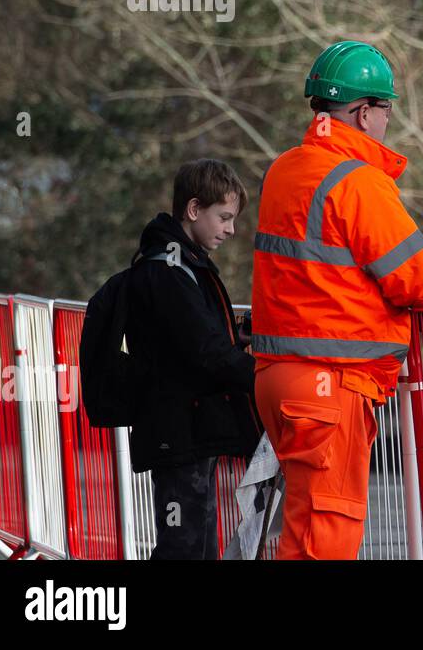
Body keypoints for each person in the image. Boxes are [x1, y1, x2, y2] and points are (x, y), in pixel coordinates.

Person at [251, 40, 423, 559]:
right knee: (326, 537)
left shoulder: (284, 170)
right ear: (363, 112)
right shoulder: (360, 183)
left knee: (301, 531)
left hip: (279, 378)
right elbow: (419, 282)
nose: (388, 121)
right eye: (386, 109)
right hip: (328, 387)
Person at [127, 158, 259, 560]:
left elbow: (194, 339)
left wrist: (234, 338)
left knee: (199, 539)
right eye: (223, 217)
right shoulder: (169, 270)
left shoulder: (182, 263)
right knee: (183, 544)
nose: (231, 229)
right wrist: (264, 375)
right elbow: (201, 350)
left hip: (190, 428)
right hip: (178, 429)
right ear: (193, 209)